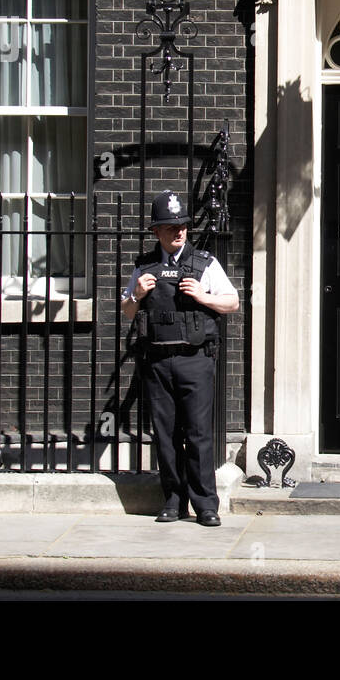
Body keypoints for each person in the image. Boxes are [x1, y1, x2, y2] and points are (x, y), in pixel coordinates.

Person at [121, 190, 239, 526]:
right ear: (157, 231)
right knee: (166, 433)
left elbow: (232, 303)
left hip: (195, 358)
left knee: (199, 433)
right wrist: (138, 294)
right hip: (158, 360)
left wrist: (203, 296)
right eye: (171, 227)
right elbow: (128, 311)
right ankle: (173, 501)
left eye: (183, 225)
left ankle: (205, 505)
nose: (179, 231)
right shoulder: (145, 266)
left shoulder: (205, 263)